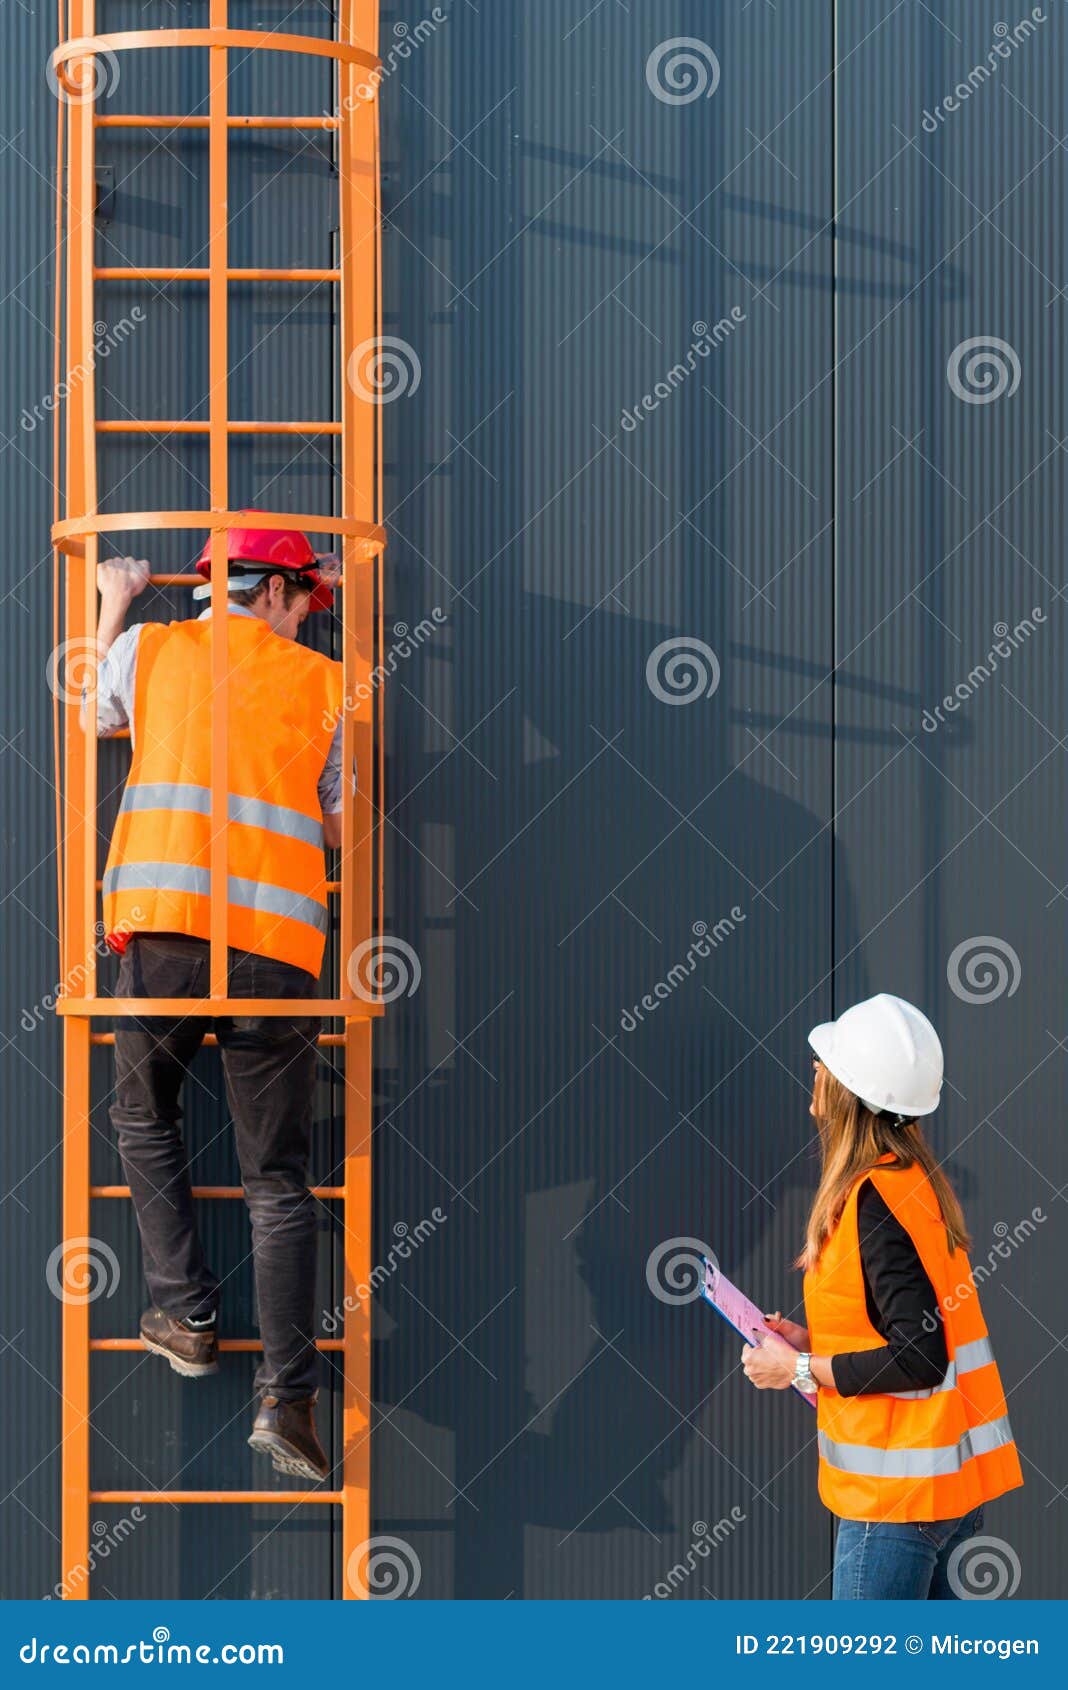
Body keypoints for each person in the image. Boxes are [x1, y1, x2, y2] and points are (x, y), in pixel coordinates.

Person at [86, 518, 349, 1484]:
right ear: (272, 591)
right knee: (277, 1177)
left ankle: (186, 1311)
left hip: (162, 931)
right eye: (302, 603)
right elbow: (333, 819)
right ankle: (289, 1403)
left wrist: (114, 599)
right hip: (275, 954)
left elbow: (92, 709)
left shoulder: (152, 648)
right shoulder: (324, 687)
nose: (305, 622)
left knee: (144, 1111)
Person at [741, 994, 1023, 1599]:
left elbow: (920, 1355)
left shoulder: (871, 1204)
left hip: (893, 1508)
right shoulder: (912, 1181)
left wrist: (795, 1368)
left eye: (822, 1066)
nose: (812, 1075)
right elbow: (905, 1329)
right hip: (945, 1492)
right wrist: (808, 1342)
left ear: (847, 1090)